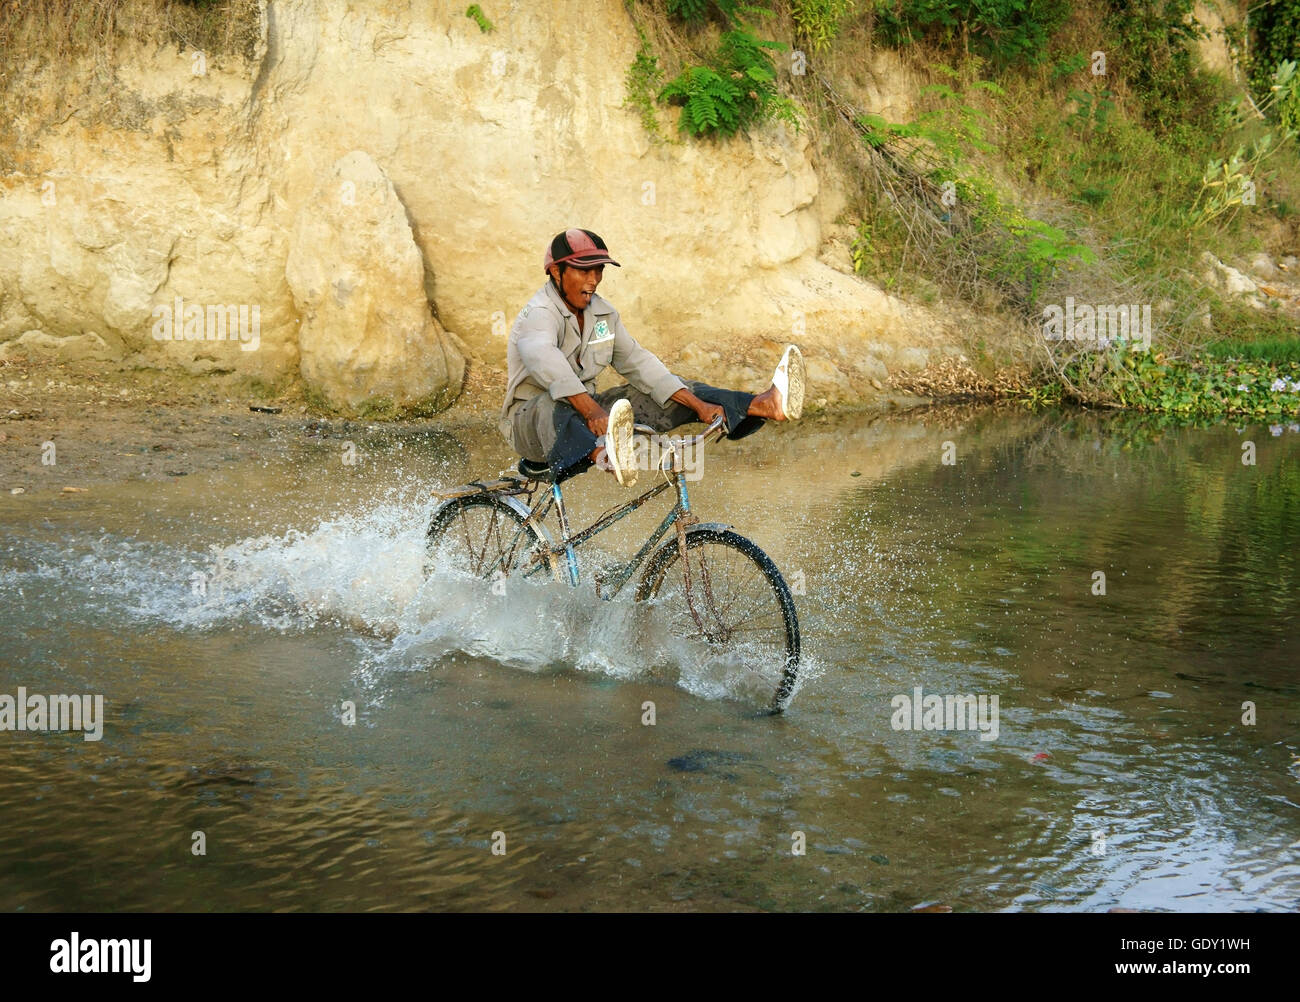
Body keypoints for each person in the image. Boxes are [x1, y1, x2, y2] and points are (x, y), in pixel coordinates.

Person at [498, 228, 805, 486]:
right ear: (556, 271)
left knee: (666, 389)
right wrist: (593, 413)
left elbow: (640, 364)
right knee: (553, 402)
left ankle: (763, 404)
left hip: (587, 418)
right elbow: (547, 363)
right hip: (531, 427)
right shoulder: (538, 314)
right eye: (583, 270)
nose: (593, 279)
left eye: (598, 270)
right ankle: (605, 455)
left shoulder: (603, 314)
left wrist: (697, 406)